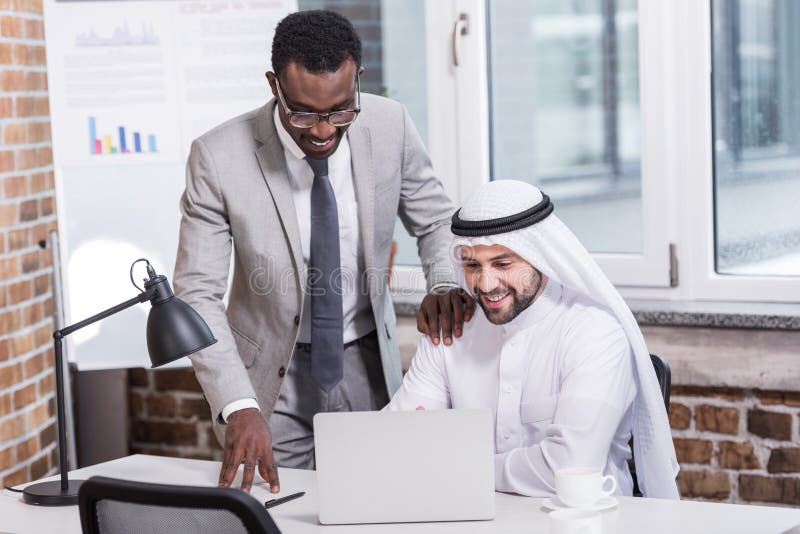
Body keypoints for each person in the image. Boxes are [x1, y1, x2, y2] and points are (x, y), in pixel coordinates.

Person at [173, 10, 473, 494]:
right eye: (304, 113)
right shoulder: (218, 156)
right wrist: (238, 405)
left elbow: (437, 219)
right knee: (281, 507)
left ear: (358, 80)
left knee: (375, 499)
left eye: (340, 110)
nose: (322, 131)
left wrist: (442, 281)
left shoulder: (390, 124)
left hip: (367, 363)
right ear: (274, 85)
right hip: (270, 380)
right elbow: (197, 293)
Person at [386, 180, 680, 499]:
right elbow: (399, 440)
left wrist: (454, 467)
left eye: (503, 263)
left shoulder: (594, 331)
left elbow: (568, 469)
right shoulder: (452, 326)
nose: (485, 284)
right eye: (472, 265)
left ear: (540, 256)